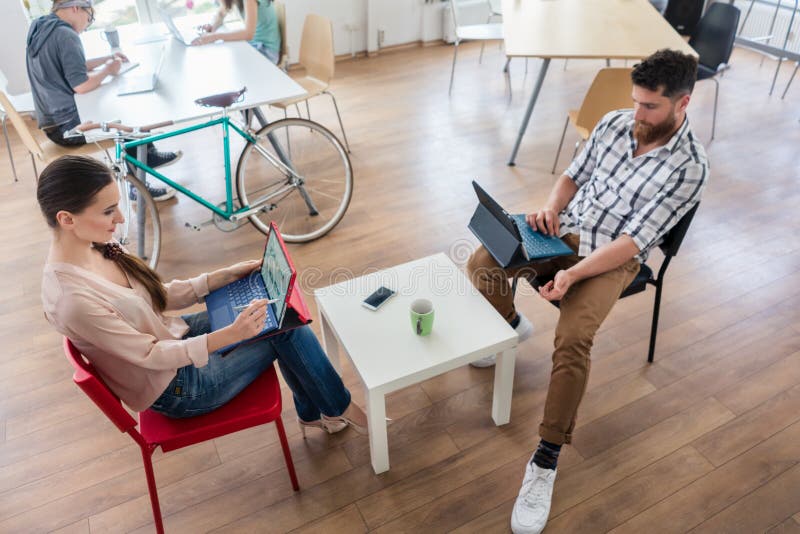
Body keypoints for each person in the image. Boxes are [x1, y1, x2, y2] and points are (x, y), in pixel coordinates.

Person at [465, 49, 709, 534]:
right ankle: (513, 326)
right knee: (483, 261)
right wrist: (550, 208)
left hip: (613, 259)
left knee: (573, 340)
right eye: (636, 102)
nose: (637, 115)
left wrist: (573, 276)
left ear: (683, 103)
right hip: (568, 229)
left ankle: (545, 460)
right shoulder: (616, 123)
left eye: (650, 107)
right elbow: (572, 176)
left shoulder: (690, 168)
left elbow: (633, 241)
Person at [38, 154, 367, 434]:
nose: (121, 218)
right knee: (281, 326)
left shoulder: (93, 244)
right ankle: (336, 406)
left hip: (174, 340)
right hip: (177, 389)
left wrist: (220, 277)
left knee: (272, 309)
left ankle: (320, 410)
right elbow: (152, 356)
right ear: (67, 219)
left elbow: (153, 297)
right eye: (109, 211)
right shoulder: (73, 302)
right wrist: (230, 335)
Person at [26, 0, 181, 201]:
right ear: (75, 8)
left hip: (53, 125)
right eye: (89, 18)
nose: (86, 25)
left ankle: (147, 154)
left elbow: (72, 66)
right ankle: (138, 189)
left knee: (118, 107)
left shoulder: (41, 27)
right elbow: (81, 85)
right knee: (126, 116)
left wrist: (106, 59)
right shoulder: (66, 34)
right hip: (71, 129)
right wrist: (109, 70)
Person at [194, 0, 281, 65]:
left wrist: (214, 36)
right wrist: (212, 26)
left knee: (224, 60)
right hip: (255, 44)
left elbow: (248, 34)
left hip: (266, 51)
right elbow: (221, 12)